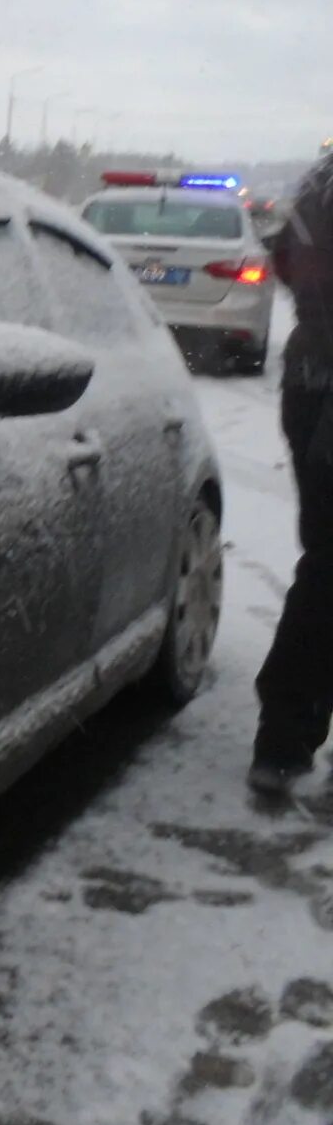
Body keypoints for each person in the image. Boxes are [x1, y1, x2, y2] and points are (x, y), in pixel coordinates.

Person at [249, 151, 333, 796]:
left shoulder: (319, 184)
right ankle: (284, 736)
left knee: (325, 562)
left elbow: (285, 257)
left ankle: (283, 737)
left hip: (311, 381)